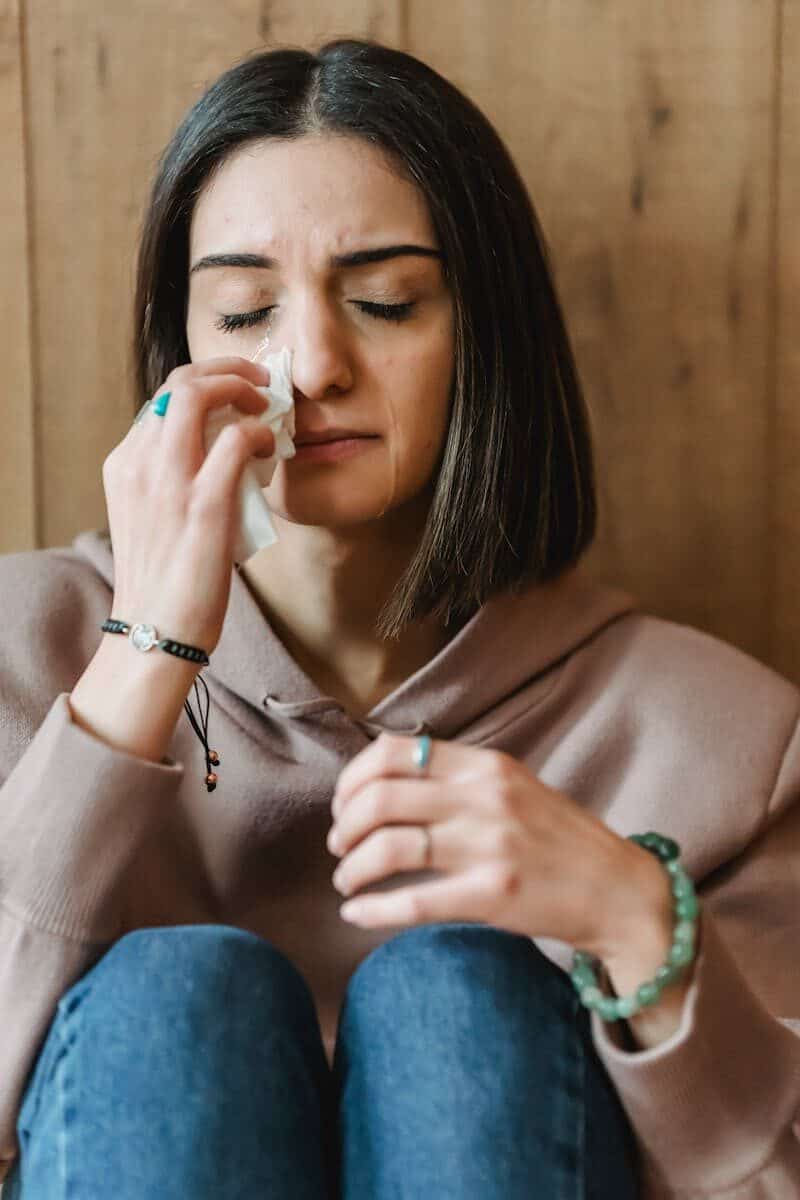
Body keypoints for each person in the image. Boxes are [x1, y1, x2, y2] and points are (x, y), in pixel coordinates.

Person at [0, 36, 797, 1200]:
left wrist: (638, 923)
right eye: (243, 308)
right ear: (179, 351)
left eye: (382, 301)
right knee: (177, 994)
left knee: (456, 995)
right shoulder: (26, 651)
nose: (311, 363)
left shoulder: (718, 738)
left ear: (486, 335)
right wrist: (141, 658)